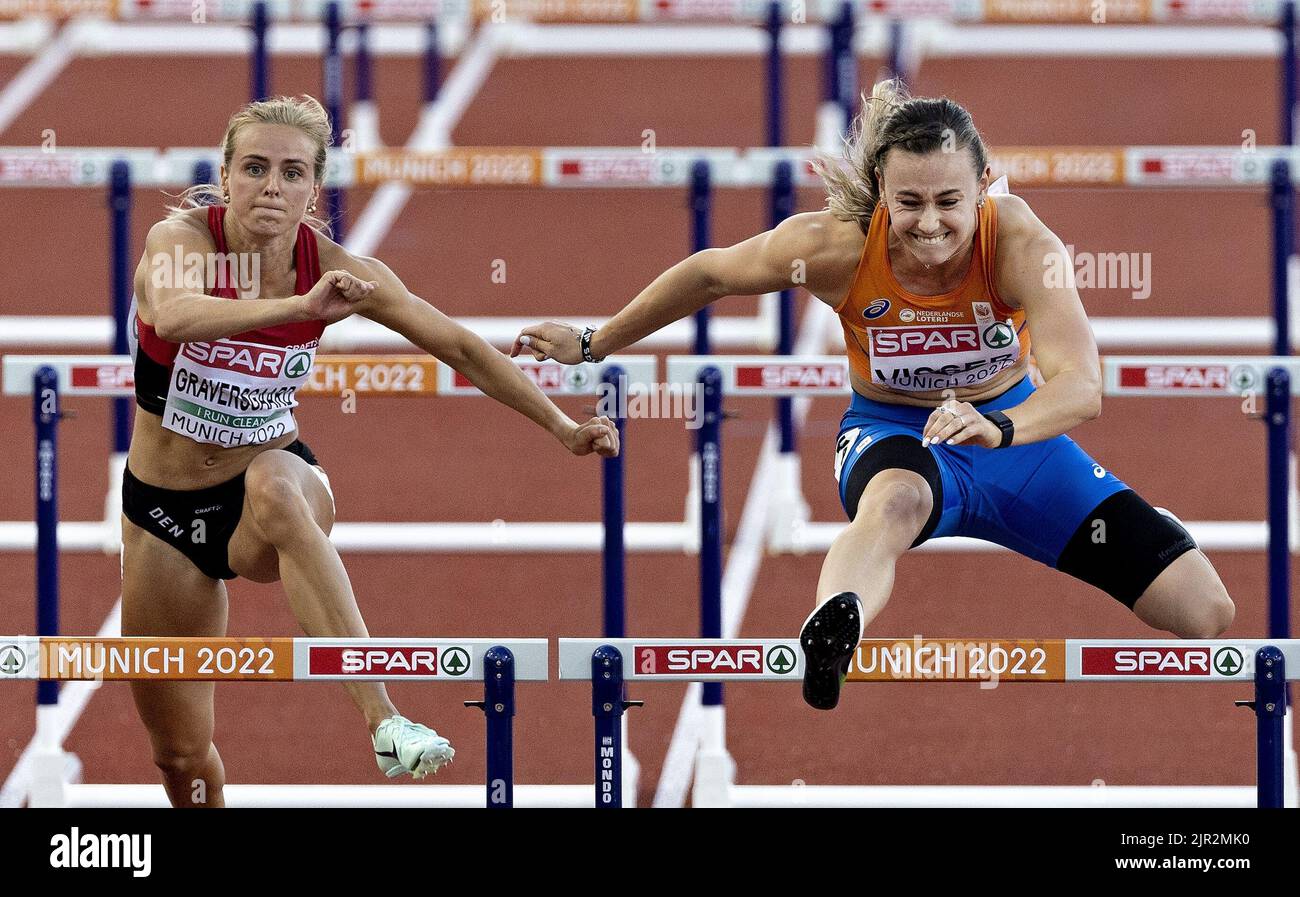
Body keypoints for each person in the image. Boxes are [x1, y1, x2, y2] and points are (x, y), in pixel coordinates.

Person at [511, 80, 1234, 711]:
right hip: (895, 435)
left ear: (984, 187)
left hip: (1015, 437)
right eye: (909, 201)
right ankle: (835, 620)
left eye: (950, 201)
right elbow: (710, 273)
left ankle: (1137, 521)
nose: (928, 223)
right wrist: (594, 341)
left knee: (1205, 611)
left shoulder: (1020, 244)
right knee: (893, 505)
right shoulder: (836, 248)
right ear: (881, 195)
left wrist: (999, 425)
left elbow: (1082, 386)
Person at [124, 95, 618, 806]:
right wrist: (299, 310)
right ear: (225, 176)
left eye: (292, 173)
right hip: (162, 510)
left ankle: (385, 718)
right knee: (178, 755)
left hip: (265, 493)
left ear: (313, 189)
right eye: (255, 167)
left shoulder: (335, 267)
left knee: (275, 486)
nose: (272, 186)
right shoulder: (180, 244)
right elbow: (175, 313)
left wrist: (562, 426)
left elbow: (458, 346)